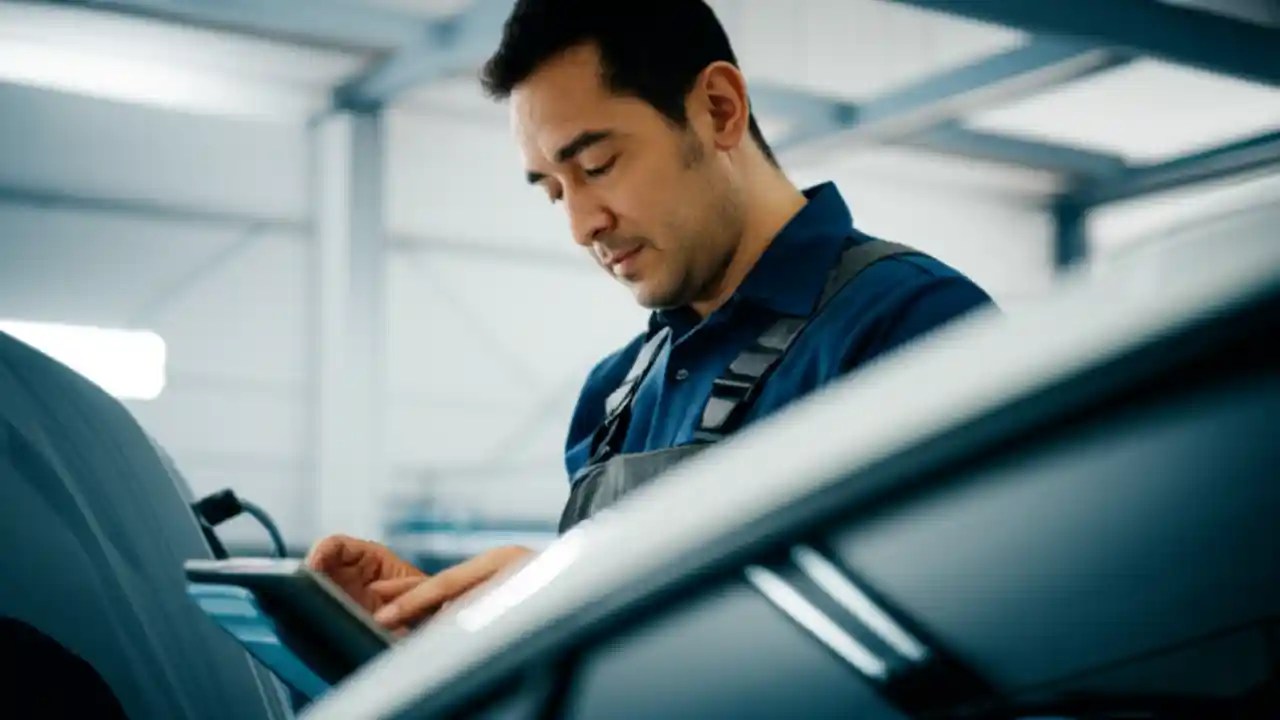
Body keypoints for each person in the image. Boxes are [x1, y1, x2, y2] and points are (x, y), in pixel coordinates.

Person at [307, 0, 994, 634]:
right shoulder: (612, 397)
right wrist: (463, 635)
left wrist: (570, 603)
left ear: (719, 110)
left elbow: (971, 640)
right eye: (553, 191)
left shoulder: (911, 325)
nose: (581, 225)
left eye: (599, 165)